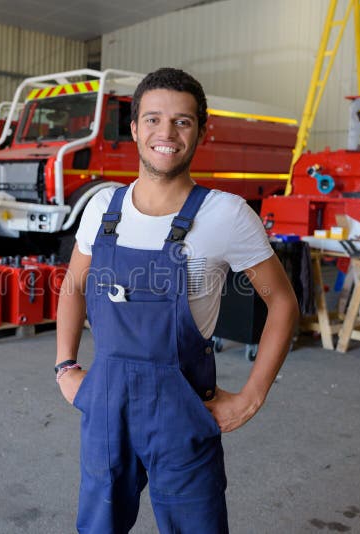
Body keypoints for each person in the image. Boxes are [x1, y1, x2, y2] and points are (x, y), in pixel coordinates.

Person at [55, 67, 299, 533]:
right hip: (105, 404)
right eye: (152, 119)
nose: (165, 133)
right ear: (134, 128)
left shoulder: (225, 214)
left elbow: (283, 302)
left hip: (182, 408)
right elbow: (73, 286)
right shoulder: (102, 209)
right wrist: (66, 368)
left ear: (201, 132)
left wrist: (251, 397)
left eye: (182, 121)